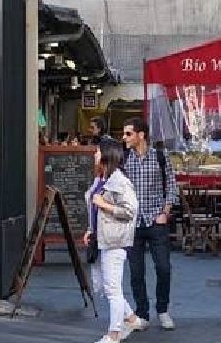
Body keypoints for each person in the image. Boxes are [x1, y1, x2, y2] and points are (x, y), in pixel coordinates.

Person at [122, 117, 178, 331]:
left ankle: (162, 310)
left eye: (128, 133)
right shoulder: (124, 158)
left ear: (141, 135)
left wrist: (165, 212)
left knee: (163, 268)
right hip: (133, 223)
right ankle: (142, 313)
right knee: (136, 273)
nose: (124, 137)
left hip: (156, 220)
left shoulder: (160, 157)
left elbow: (171, 186)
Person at [83, 139, 141, 343]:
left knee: (112, 289)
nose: (95, 155)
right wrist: (90, 229)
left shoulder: (120, 182)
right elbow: (93, 209)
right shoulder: (101, 179)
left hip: (115, 242)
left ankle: (114, 334)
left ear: (107, 155)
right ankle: (131, 319)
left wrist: (104, 205)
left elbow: (130, 211)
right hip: (100, 240)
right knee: (104, 286)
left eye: (98, 152)